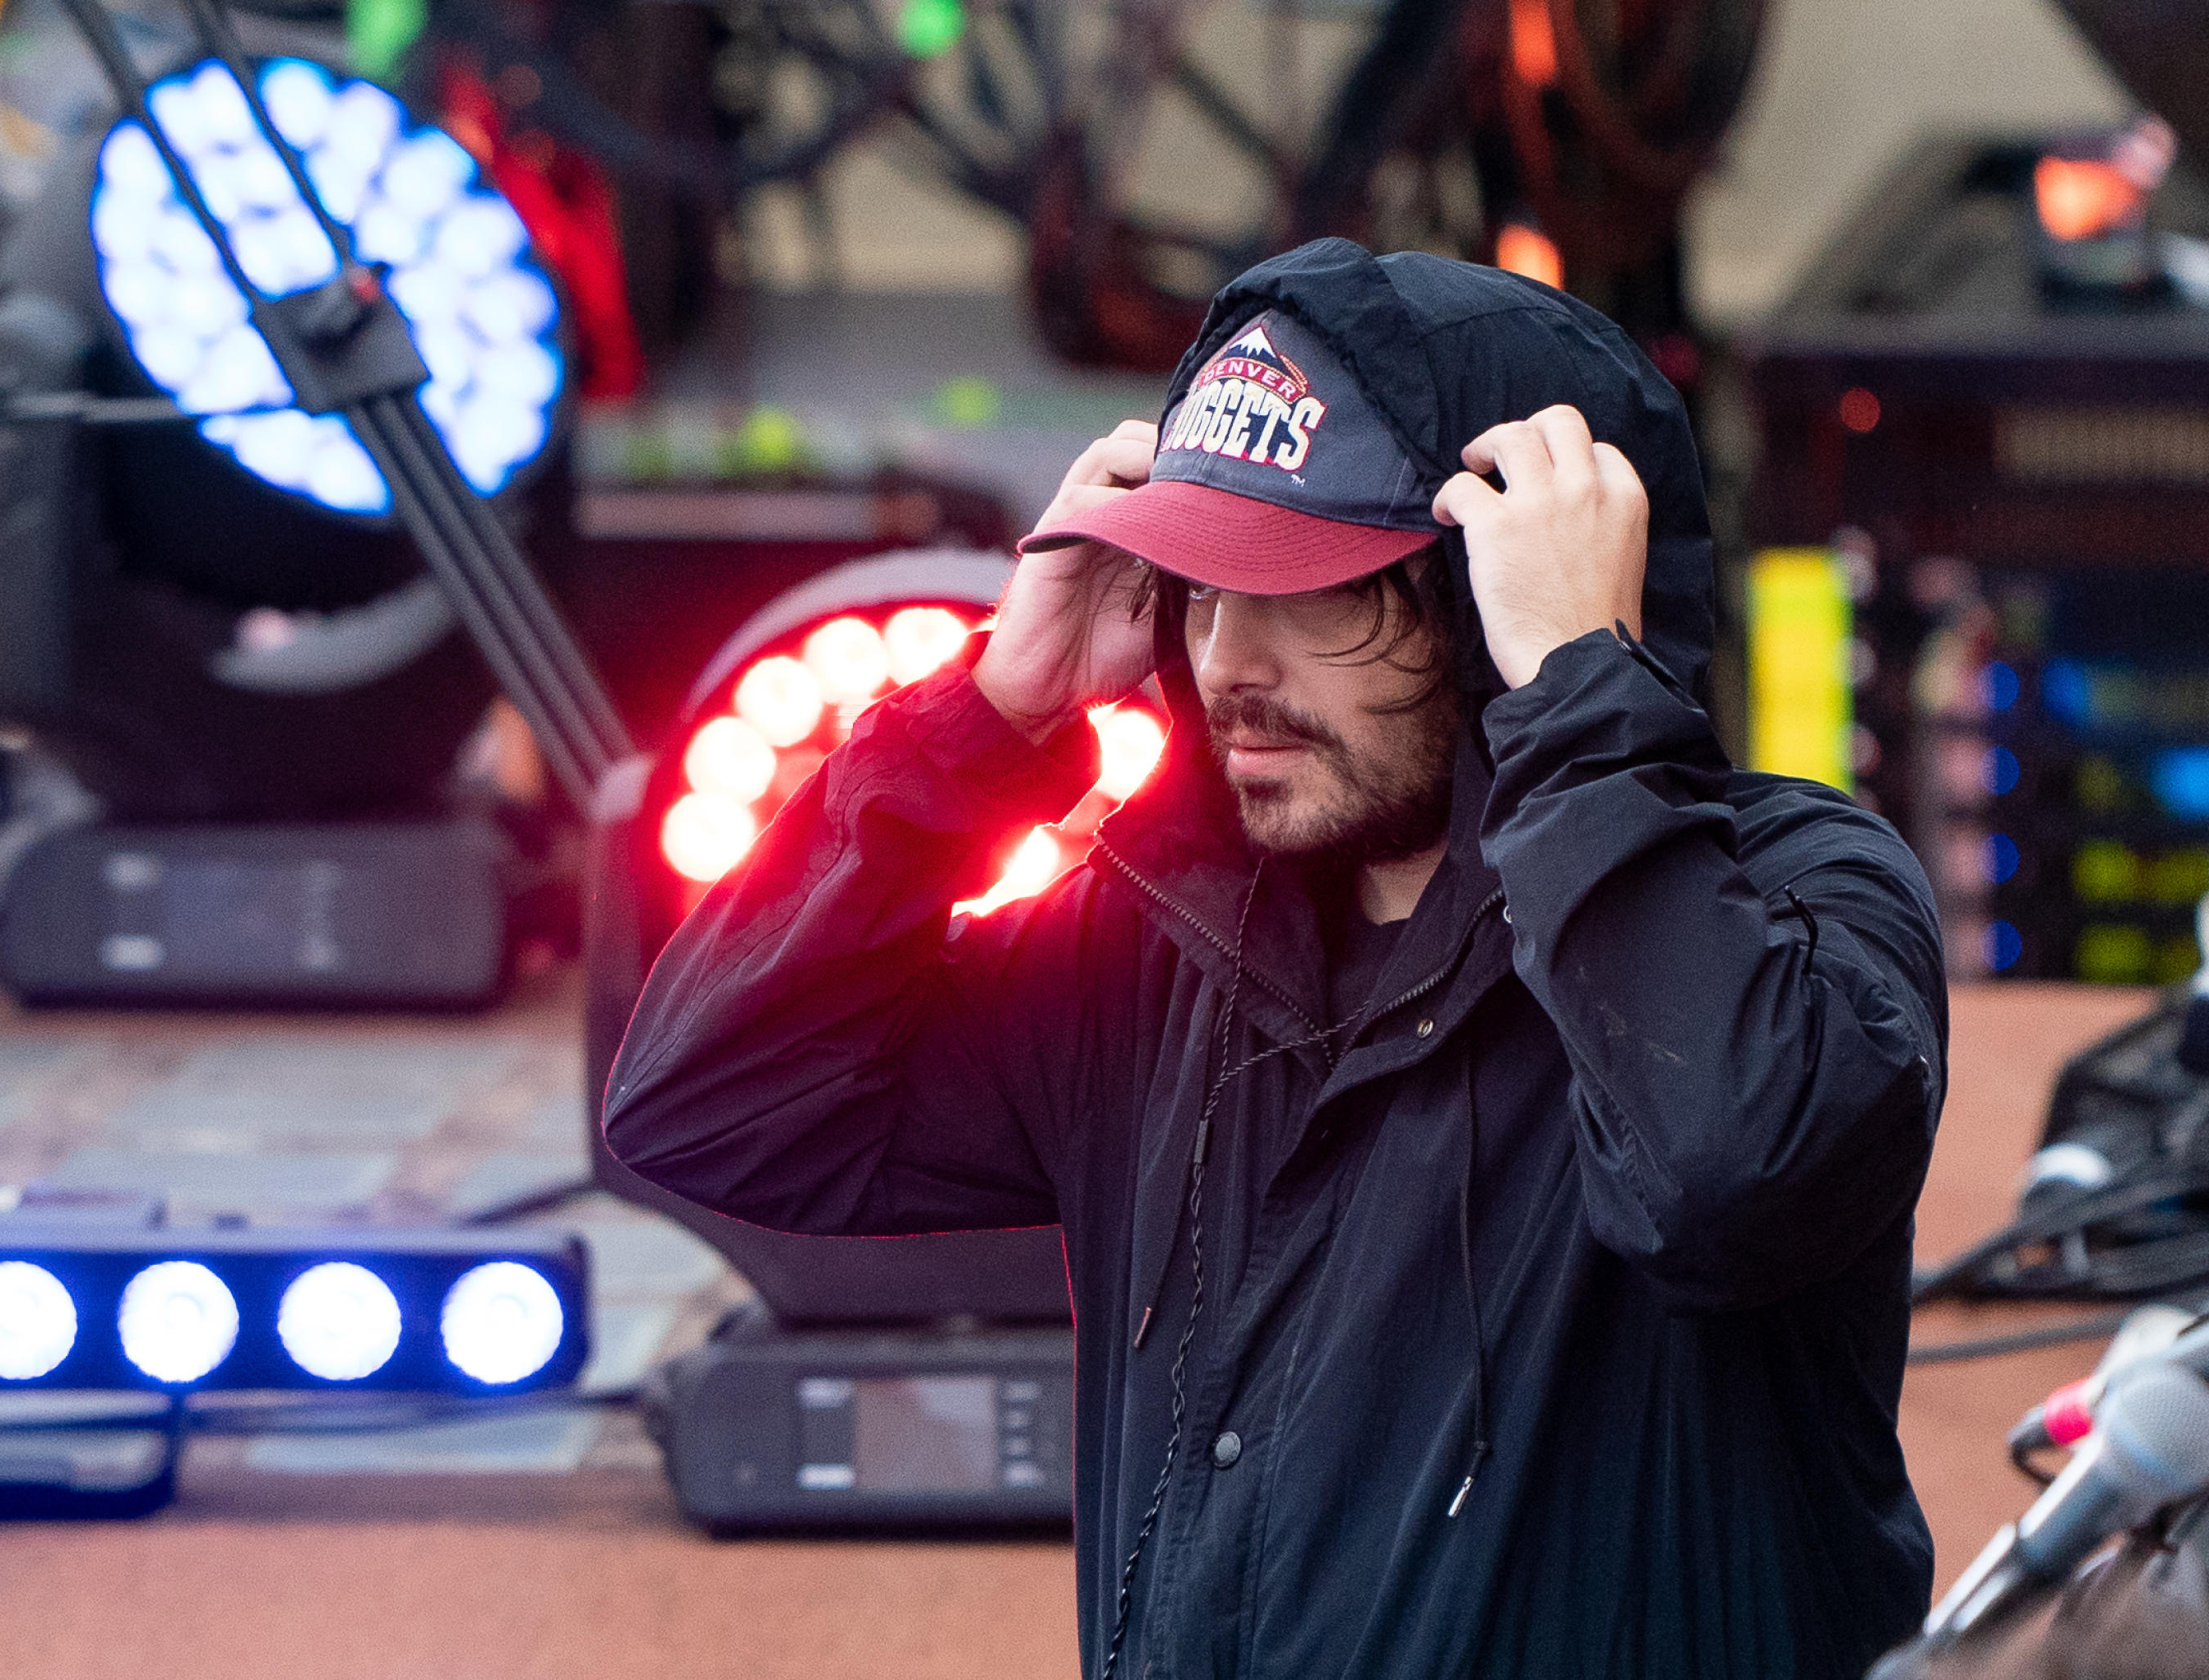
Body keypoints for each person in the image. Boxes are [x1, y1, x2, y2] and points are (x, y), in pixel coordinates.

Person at [604, 239, 1947, 1680]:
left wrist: (1580, 697)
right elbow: (709, 1107)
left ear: (1510, 596)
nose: (1232, 661)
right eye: (1199, 586)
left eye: (1321, 596)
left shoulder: (1801, 898)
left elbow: (1727, 1174)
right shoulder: (1163, 942)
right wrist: (991, 718)